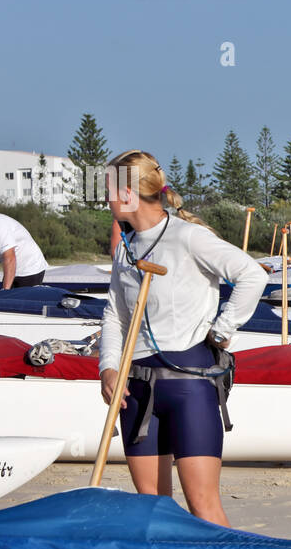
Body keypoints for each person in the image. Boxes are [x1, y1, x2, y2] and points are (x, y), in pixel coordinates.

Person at [100, 149, 267, 528]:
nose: (105, 198)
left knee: (203, 508)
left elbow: (252, 275)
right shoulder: (126, 249)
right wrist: (109, 368)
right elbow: (114, 314)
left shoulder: (189, 237)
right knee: (153, 512)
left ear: (129, 193)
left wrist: (223, 331)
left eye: (109, 189)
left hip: (190, 386)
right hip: (137, 390)